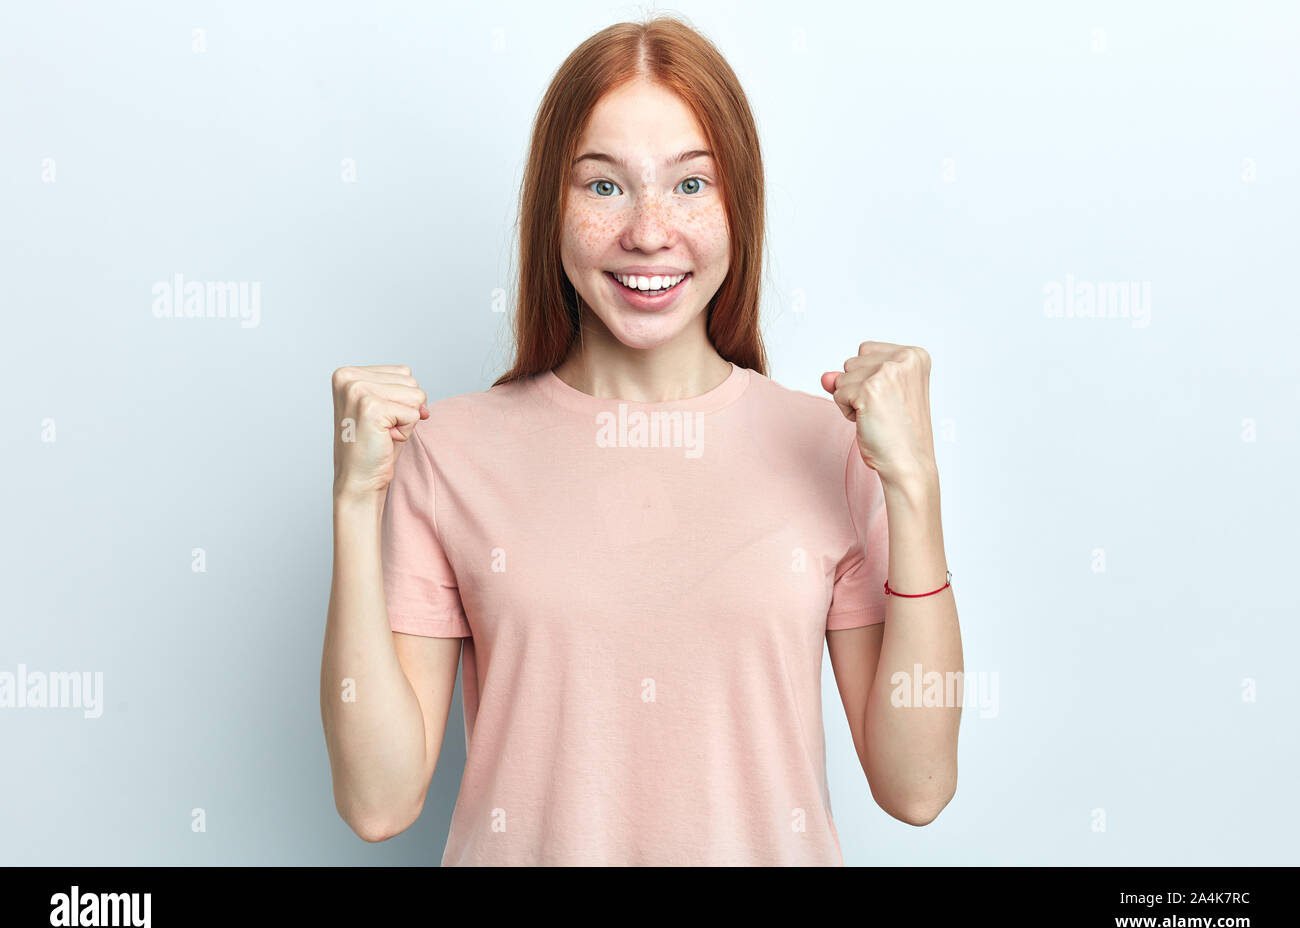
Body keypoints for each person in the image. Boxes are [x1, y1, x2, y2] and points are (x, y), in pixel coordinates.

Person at [320, 15, 962, 866]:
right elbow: (379, 802)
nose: (650, 232)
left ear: (741, 205)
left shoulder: (833, 448)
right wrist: (355, 504)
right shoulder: (451, 453)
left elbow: (916, 788)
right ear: (553, 202)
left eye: (691, 186)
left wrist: (914, 487)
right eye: (605, 186)